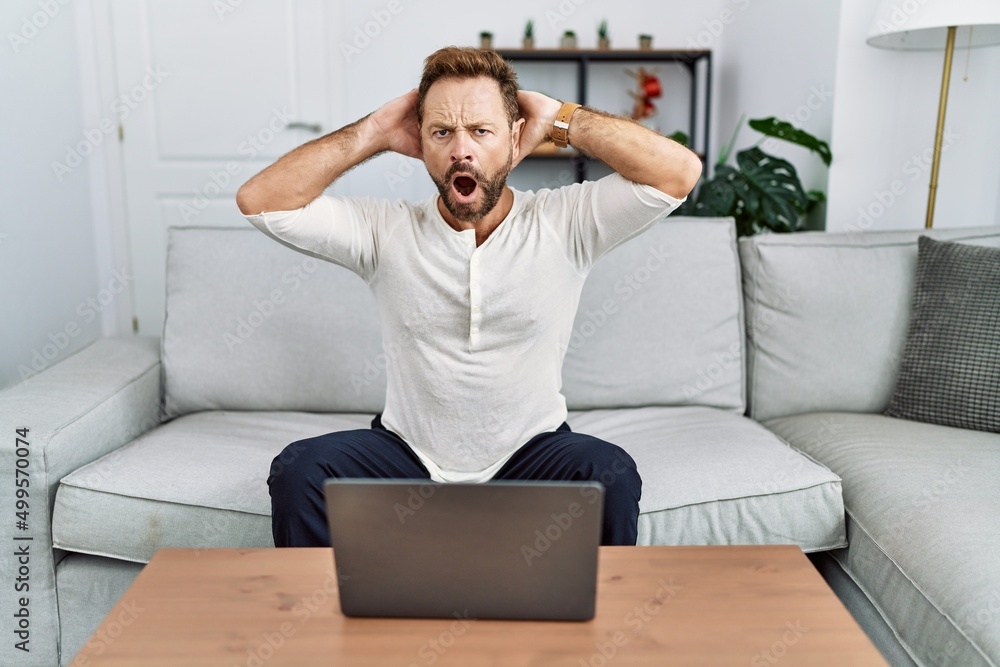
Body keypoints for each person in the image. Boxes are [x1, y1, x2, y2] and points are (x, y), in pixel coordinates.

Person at [236, 46, 702, 549]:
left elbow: (677, 173)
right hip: (407, 458)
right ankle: (324, 622)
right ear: (419, 142)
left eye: (481, 131)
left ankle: (590, 627)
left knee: (610, 473)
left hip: (532, 454)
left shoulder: (565, 222)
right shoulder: (385, 230)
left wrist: (561, 119)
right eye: (442, 132)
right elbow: (261, 200)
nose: (462, 149)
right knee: (299, 470)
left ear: (515, 137)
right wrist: (372, 132)